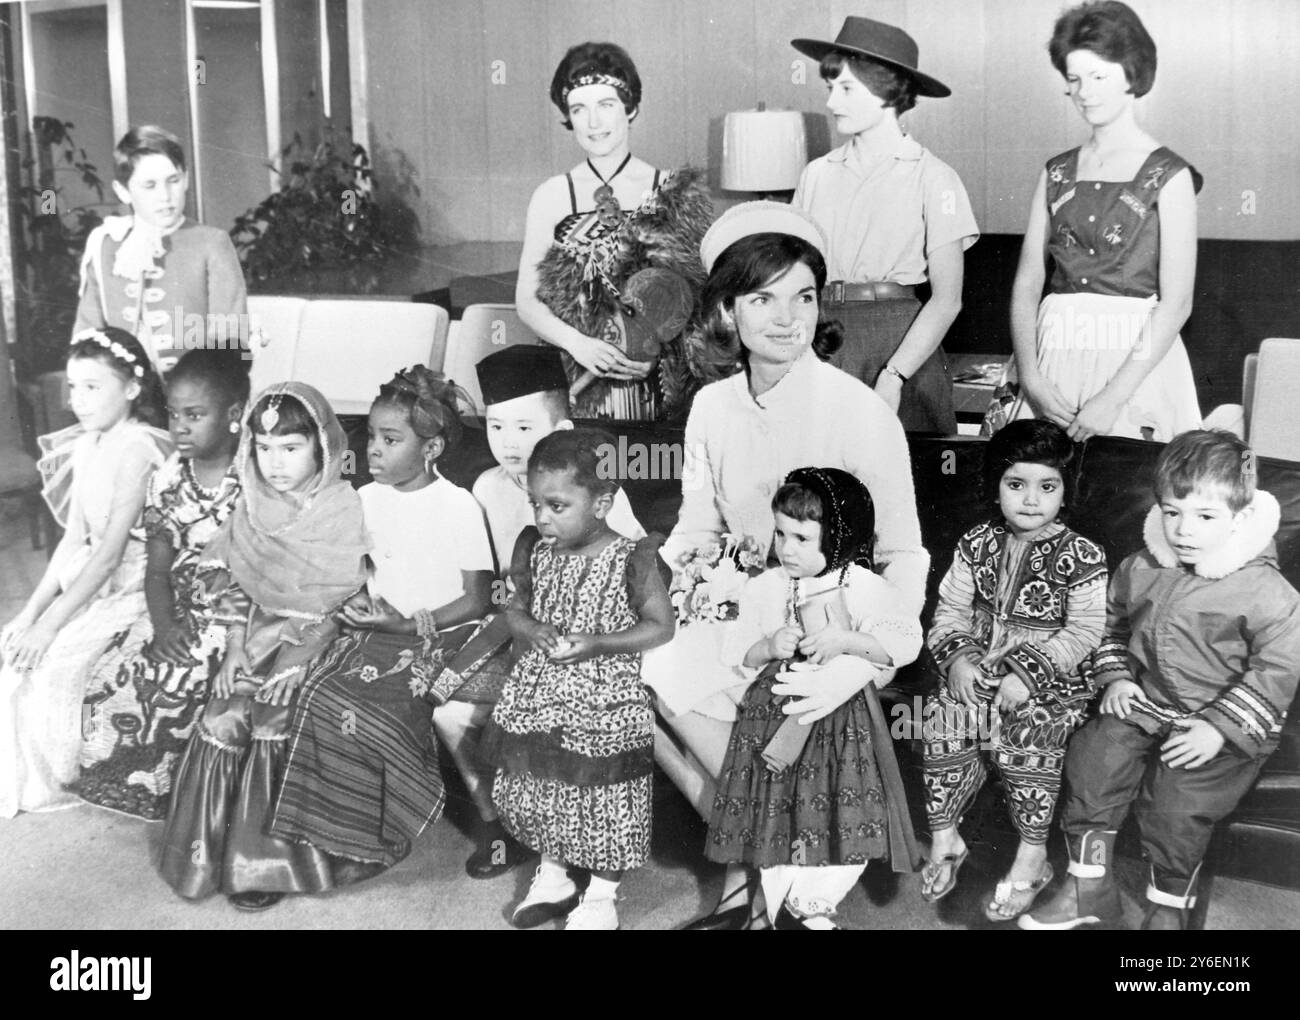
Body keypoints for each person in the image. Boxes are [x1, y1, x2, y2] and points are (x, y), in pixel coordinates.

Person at [645, 201, 929, 929]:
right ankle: (767, 868)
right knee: (631, 666)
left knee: (763, 704)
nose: (786, 318)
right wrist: (672, 580)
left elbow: (901, 552)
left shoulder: (861, 412)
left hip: (830, 631)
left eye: (802, 296)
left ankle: (754, 881)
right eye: (762, 298)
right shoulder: (711, 407)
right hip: (744, 615)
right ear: (727, 312)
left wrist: (875, 657)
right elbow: (696, 524)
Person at [1022, 430, 1300, 930]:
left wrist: (1218, 728)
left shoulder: (1269, 592)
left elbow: (1278, 667)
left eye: (1205, 516)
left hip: (1221, 721)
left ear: (1241, 517)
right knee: (1092, 761)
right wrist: (1116, 678)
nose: (1183, 530)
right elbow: (1112, 624)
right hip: (1146, 702)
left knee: (1177, 804)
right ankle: (1088, 888)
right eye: (1172, 512)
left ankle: (1168, 908)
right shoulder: (1143, 566)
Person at [269, 368, 493, 884]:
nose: (373, 449)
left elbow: (478, 598)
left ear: (432, 448)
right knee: (319, 692)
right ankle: (328, 831)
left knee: (373, 708)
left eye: (390, 440)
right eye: (371, 436)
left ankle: (377, 837)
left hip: (441, 635)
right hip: (378, 633)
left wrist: (411, 623)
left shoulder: (457, 505)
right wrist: (358, 605)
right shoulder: (365, 499)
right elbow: (354, 573)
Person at [433, 344, 645, 879]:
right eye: (497, 427)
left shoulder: (597, 490)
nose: (508, 444)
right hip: (524, 632)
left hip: (591, 641)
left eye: (525, 428)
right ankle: (500, 823)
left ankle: (576, 840)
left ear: (563, 426)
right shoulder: (486, 487)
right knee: (448, 707)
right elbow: (495, 586)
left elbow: (637, 568)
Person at [157, 382, 366, 910]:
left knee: (276, 716)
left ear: (322, 446)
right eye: (264, 448)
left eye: (291, 448)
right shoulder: (249, 508)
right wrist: (233, 649)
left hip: (325, 641)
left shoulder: (343, 508)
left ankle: (266, 865)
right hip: (255, 635)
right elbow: (228, 585)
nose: (275, 463)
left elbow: (347, 601)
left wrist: (300, 659)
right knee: (225, 712)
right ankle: (211, 854)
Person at [707, 468, 922, 930]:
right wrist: (768, 646)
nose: (786, 549)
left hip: (838, 722)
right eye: (781, 534)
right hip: (773, 719)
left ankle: (810, 903)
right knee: (778, 817)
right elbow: (738, 652)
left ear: (840, 536)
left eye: (803, 538)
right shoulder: (766, 585)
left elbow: (901, 645)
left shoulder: (862, 584)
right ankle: (786, 908)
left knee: (843, 813)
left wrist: (846, 640)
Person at [482, 428, 674, 930]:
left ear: (602, 503)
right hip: (540, 688)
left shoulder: (632, 558)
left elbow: (660, 626)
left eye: (557, 505)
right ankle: (554, 873)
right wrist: (533, 627)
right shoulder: (536, 550)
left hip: (604, 694)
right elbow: (511, 610)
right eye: (535, 504)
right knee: (542, 787)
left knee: (603, 797)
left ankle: (603, 893)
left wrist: (597, 641)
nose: (542, 517)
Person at [920, 419, 1108, 921]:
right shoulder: (974, 543)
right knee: (941, 714)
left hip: (1051, 686)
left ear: (1065, 492)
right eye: (1015, 484)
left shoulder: (1083, 556)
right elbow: (950, 613)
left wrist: (1028, 673)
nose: (1030, 499)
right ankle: (946, 837)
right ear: (994, 487)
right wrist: (958, 658)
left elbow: (1085, 631)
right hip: (977, 672)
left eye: (1047, 486)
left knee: (1028, 733)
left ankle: (1032, 853)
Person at [1000, 1, 1201, 442]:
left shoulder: (1170, 175)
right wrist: (1032, 378)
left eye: (1098, 76)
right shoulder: (1054, 172)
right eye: (1074, 79)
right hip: (1053, 354)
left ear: (1132, 75)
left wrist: (1113, 398)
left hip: (1134, 363)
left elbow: (1176, 304)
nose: (1084, 92)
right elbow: (1028, 284)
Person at [71, 350, 247, 819]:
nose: (180, 427)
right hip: (175, 601)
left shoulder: (253, 476)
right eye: (173, 414)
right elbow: (156, 571)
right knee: (113, 672)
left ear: (233, 415)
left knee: (184, 674)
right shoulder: (169, 480)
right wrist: (164, 625)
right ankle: (123, 779)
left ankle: (178, 789)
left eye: (195, 415)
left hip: (237, 605)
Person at [0, 329, 169, 817]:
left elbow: (111, 553)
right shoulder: (87, 443)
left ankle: (60, 776)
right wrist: (30, 612)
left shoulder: (138, 447)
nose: (78, 401)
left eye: (93, 387)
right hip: (91, 574)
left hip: (134, 583)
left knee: (53, 662)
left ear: (133, 389)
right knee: (16, 652)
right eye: (73, 387)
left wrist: (49, 625)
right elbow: (74, 539)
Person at [790, 15, 977, 433]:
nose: (832, 103)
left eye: (847, 89)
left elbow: (947, 300)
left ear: (888, 91)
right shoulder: (816, 175)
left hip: (900, 345)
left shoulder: (934, 177)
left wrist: (894, 377)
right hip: (824, 337)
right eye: (830, 88)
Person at [515, 41, 712, 420]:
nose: (593, 123)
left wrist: (652, 353)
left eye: (606, 105)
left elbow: (696, 302)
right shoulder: (552, 196)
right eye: (579, 109)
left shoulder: (672, 190)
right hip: (577, 377)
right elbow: (527, 301)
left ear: (631, 108)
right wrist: (580, 345)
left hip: (660, 385)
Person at [74, 125, 247, 373]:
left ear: (186, 179)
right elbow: (87, 336)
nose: (165, 196)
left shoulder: (212, 243)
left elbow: (230, 340)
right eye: (149, 185)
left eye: (173, 181)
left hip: (193, 396)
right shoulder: (104, 246)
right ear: (123, 192)